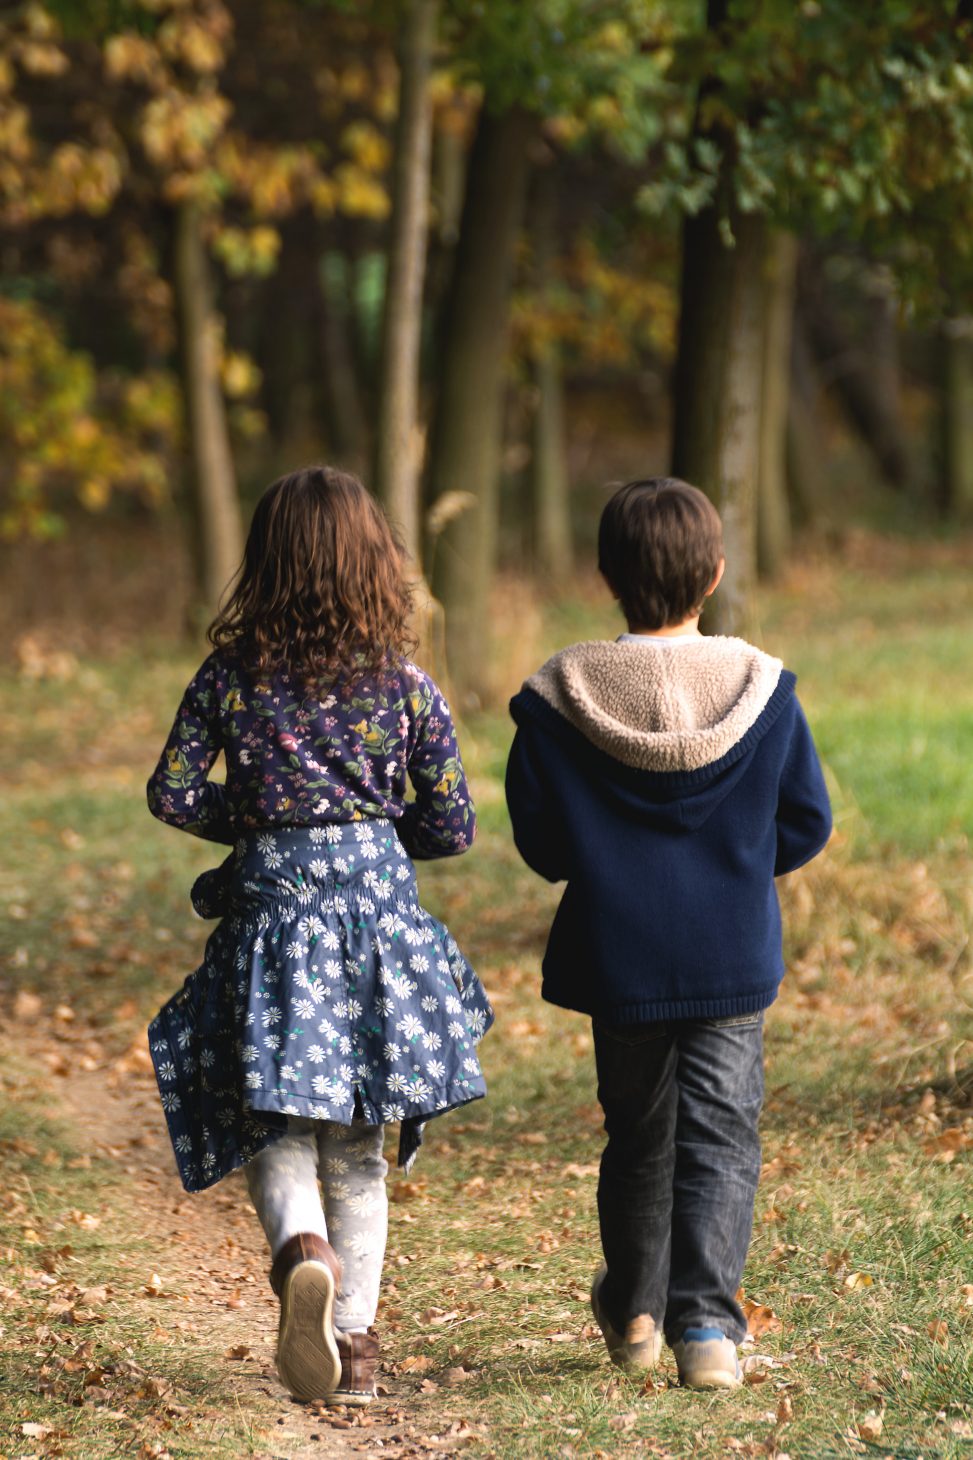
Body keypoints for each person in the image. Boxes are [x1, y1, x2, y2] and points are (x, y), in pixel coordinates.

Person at [146, 465, 492, 1406]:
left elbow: (172, 792)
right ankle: (358, 1350)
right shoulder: (407, 688)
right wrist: (374, 831)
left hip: (270, 921)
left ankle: (303, 1252)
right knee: (356, 1147)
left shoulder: (229, 679)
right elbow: (453, 823)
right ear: (376, 564)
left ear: (264, 564)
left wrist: (257, 820)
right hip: (374, 926)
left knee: (276, 1123)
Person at [505, 478, 831, 1390]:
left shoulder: (559, 698)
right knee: (721, 1135)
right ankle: (708, 1331)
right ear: (714, 573)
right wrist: (737, 866)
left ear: (606, 576)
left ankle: (636, 1311)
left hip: (620, 957)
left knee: (637, 1133)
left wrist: (602, 864)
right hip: (729, 948)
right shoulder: (762, 690)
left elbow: (540, 841)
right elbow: (806, 820)